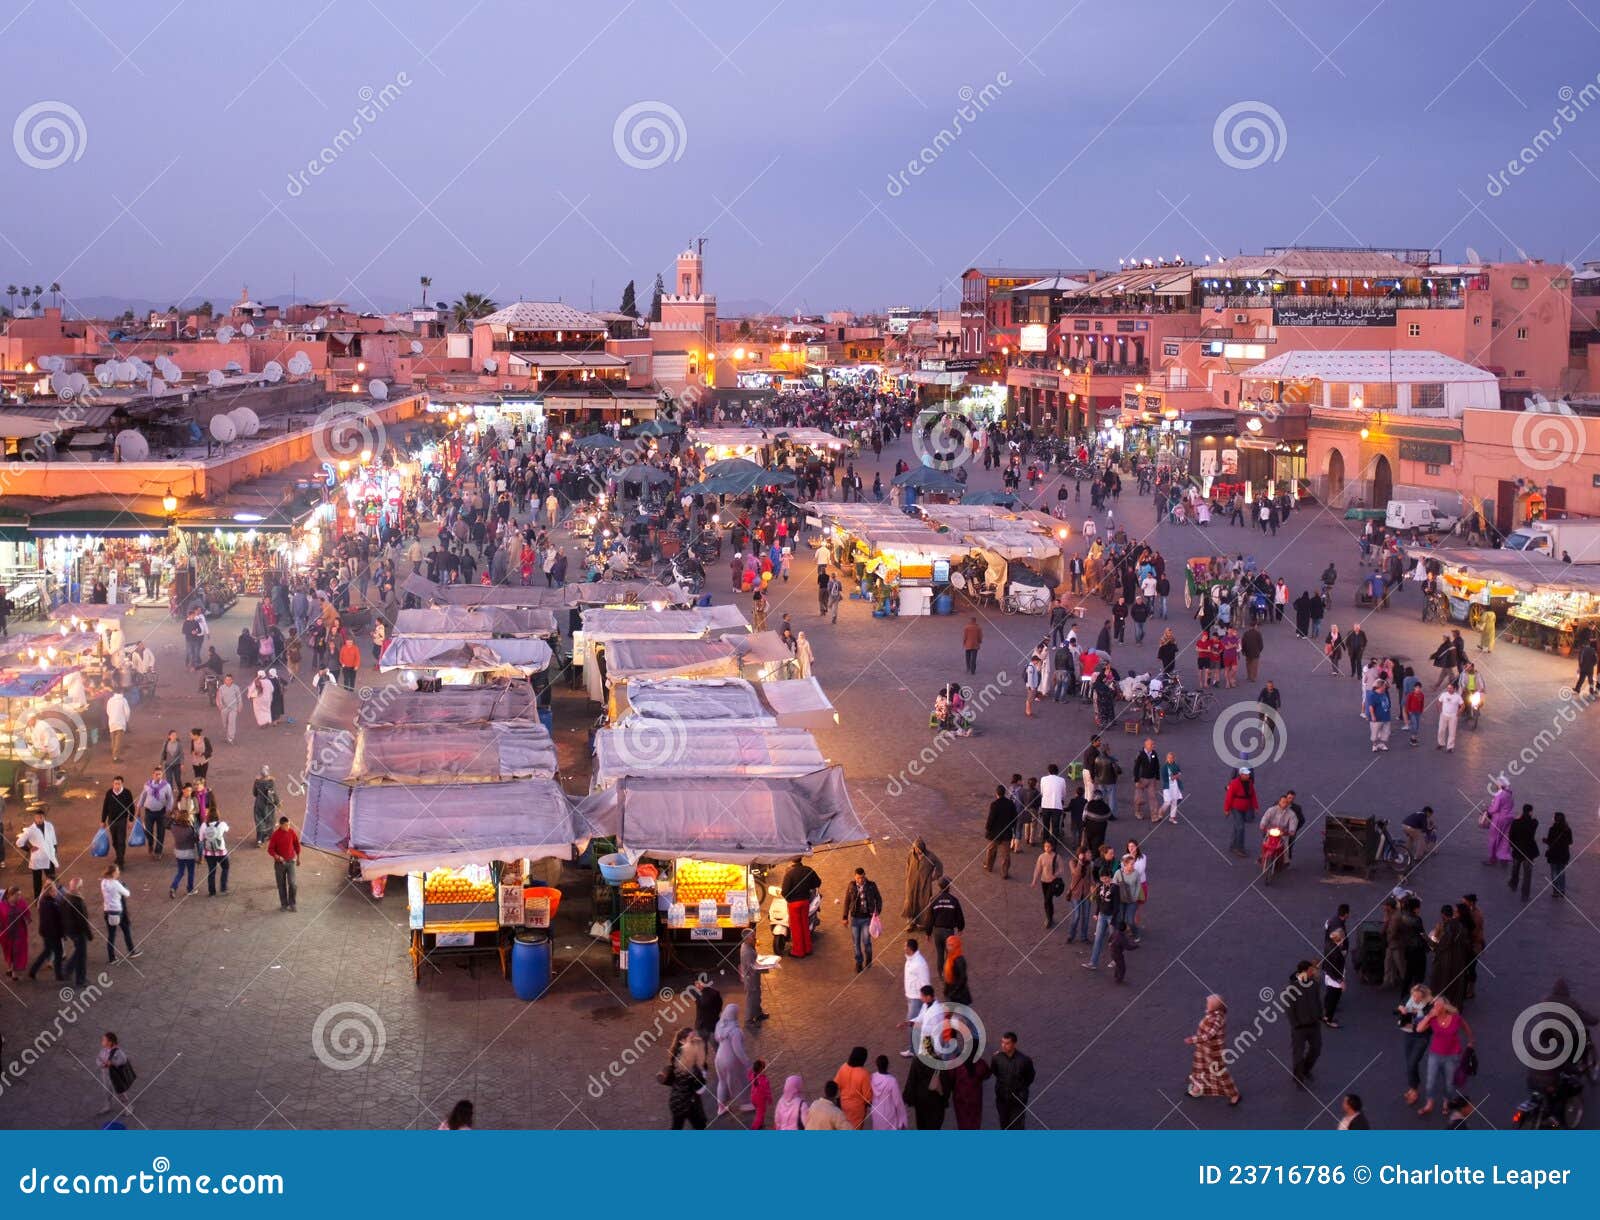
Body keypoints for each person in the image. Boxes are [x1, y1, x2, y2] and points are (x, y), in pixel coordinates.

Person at [1415, 997, 1473, 1118]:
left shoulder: (1456, 1019)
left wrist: (1470, 1041)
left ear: (1444, 1007)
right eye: (1434, 1006)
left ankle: (1446, 1102)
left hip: (1452, 1056)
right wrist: (1428, 1017)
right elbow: (1419, 1029)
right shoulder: (1433, 1019)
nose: (1434, 1008)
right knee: (1430, 1082)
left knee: (1449, 1083)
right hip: (1435, 1055)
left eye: (1437, 1005)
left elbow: (1466, 1027)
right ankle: (1429, 1103)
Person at [1184, 994, 1241, 1105]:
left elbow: (1210, 1034)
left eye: (1208, 1003)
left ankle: (1234, 1094)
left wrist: (1193, 1039)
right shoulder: (1213, 1014)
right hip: (1204, 1047)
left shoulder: (1217, 1018)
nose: (1206, 1005)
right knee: (1200, 1068)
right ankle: (1197, 1089)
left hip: (1213, 1051)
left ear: (1215, 1006)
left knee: (1219, 1072)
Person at [1287, 960, 1323, 1087]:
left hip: (1314, 1024)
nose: (1313, 971)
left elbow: (1317, 1000)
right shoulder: (1292, 988)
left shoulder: (1314, 984)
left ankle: (1305, 1070)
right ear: (1305, 971)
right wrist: (1295, 1024)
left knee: (1316, 1049)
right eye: (1311, 969)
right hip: (1299, 1028)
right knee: (1298, 1054)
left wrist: (1320, 1014)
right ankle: (1298, 1078)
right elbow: (1289, 1009)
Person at [662, 1031, 708, 1130]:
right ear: (682, 1041)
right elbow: (700, 1089)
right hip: (687, 1103)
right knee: (700, 1126)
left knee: (677, 1126)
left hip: (675, 1100)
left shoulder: (677, 1056)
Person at [989, 1032, 1035, 1130]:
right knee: (1004, 1125)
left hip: (1018, 1100)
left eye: (1007, 1043)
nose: (1004, 1046)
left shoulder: (1024, 1060)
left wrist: (1021, 1091)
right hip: (1002, 1099)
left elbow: (1030, 1077)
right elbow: (995, 1072)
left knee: (1017, 1127)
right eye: (1002, 1042)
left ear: (1014, 1044)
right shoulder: (996, 1058)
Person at [713, 1005, 752, 1118]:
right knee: (741, 1080)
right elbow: (738, 1050)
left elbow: (716, 1038)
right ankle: (745, 1103)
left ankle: (721, 1107)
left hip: (719, 1058)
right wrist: (747, 1063)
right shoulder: (735, 1031)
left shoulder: (719, 1025)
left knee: (722, 1082)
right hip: (731, 1060)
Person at [842, 865, 882, 972]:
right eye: (859, 878)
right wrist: (845, 917)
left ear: (865, 876)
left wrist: (877, 910)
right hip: (855, 919)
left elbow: (878, 899)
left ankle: (868, 959)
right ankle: (859, 962)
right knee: (856, 943)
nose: (861, 880)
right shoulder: (851, 886)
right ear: (855, 877)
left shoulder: (871, 886)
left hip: (867, 919)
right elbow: (847, 901)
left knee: (866, 941)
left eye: (862, 877)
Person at [779, 855, 821, 958]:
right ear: (801, 859)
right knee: (805, 925)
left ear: (792, 861)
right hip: (805, 902)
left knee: (796, 928)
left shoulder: (789, 874)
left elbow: (784, 892)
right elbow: (818, 882)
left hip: (794, 904)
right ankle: (808, 948)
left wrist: (789, 899)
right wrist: (809, 887)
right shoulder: (808, 870)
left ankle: (798, 951)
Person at [16, 809, 59, 898]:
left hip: (49, 857)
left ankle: (53, 896)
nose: (39, 819)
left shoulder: (49, 826)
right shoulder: (30, 830)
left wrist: (55, 852)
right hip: (37, 858)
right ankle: (38, 898)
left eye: (41, 817)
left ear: (44, 817)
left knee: (51, 879)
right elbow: (19, 842)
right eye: (37, 817)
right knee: (37, 880)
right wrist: (29, 849)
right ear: (34, 818)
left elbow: (54, 840)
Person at [100, 864, 138, 962]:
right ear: (113, 873)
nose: (119, 872)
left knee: (111, 935)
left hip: (107, 911)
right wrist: (125, 886)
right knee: (125, 930)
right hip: (117, 912)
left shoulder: (103, 882)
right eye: (117, 871)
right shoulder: (116, 884)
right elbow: (127, 894)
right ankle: (131, 951)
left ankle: (112, 957)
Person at [900, 938, 931, 1058]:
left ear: (910, 949)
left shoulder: (919, 963)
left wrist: (926, 1000)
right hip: (910, 996)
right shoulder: (910, 960)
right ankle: (915, 1049)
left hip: (917, 999)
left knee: (912, 1024)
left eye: (905, 946)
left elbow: (925, 982)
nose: (903, 948)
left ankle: (917, 1050)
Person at [60, 877, 93, 988]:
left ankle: (67, 970)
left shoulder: (65, 897)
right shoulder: (78, 901)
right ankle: (80, 979)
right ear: (79, 888)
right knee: (82, 956)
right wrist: (89, 935)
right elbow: (83, 921)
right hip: (78, 932)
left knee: (78, 951)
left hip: (70, 931)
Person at [928, 877, 964, 973]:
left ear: (939, 886)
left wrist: (928, 933)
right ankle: (949, 973)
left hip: (937, 932)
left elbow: (930, 918)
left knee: (940, 954)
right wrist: (960, 928)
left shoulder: (934, 900)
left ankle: (940, 973)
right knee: (949, 954)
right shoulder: (954, 900)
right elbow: (959, 916)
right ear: (949, 887)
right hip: (949, 932)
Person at [136, 766, 172, 860]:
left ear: (162, 775)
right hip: (149, 812)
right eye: (156, 774)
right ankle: (150, 844)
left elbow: (170, 799)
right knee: (148, 830)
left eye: (160, 774)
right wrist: (138, 809)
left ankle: (158, 851)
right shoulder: (147, 785)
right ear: (153, 775)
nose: (158, 776)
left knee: (161, 832)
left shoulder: (166, 786)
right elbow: (142, 797)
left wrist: (168, 810)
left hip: (161, 812)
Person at [832, 1046, 873, 1129]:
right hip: (857, 1110)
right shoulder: (864, 1074)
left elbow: (835, 1084)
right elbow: (868, 1097)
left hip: (843, 1104)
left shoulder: (843, 1067)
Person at [902, 1054, 947, 1129]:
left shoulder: (918, 1060)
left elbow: (912, 1080)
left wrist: (908, 1098)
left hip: (921, 1101)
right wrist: (944, 1098)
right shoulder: (939, 1062)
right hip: (935, 1101)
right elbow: (945, 1082)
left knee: (922, 1124)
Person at [97, 1031, 136, 1117]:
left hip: (115, 1076)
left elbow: (123, 1060)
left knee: (120, 1092)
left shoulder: (117, 1052)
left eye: (104, 1040)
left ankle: (129, 1107)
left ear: (110, 1042)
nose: (102, 1042)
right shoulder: (103, 1050)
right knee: (106, 1091)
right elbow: (98, 1059)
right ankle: (107, 1106)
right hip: (105, 1075)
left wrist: (113, 1063)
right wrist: (101, 1064)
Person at [100, 776, 135, 869]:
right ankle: (119, 856)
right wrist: (103, 820)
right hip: (111, 821)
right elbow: (105, 807)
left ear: (122, 784)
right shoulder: (109, 793)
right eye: (115, 783)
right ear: (113, 784)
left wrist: (131, 820)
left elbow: (132, 807)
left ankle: (120, 862)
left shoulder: (127, 793)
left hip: (122, 821)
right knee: (114, 842)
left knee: (121, 841)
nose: (117, 786)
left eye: (119, 784)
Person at [1222, 766, 1258, 858]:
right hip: (1236, 808)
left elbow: (1252, 795)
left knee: (1237, 827)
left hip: (1245, 808)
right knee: (1241, 828)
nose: (1248, 776)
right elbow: (1229, 797)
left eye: (1248, 774)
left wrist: (1255, 806)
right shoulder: (1234, 783)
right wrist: (1226, 809)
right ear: (1241, 775)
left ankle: (1233, 845)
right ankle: (1239, 848)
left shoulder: (1249, 783)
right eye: (1246, 774)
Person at [267, 816, 301, 912]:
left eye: (289, 824)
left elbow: (296, 844)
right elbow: (270, 850)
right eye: (286, 825)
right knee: (281, 885)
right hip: (279, 864)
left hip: (291, 862)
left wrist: (298, 857)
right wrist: (277, 857)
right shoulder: (275, 835)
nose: (288, 826)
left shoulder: (291, 832)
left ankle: (292, 903)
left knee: (293, 883)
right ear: (281, 825)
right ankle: (284, 904)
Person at [1508, 803, 1540, 901]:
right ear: (1530, 812)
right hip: (1529, 852)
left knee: (1515, 869)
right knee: (1527, 875)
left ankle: (1513, 883)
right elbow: (1535, 820)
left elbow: (1511, 836)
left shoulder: (1515, 822)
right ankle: (1525, 894)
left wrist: (1513, 846)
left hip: (1517, 850)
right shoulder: (1534, 823)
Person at [983, 784, 1015, 878]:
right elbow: (1014, 817)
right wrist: (1011, 827)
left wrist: (988, 828)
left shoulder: (994, 804)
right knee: (1006, 854)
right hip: (1006, 833)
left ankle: (989, 866)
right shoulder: (1010, 804)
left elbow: (991, 819)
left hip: (994, 833)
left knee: (991, 850)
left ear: (997, 793)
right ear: (1004, 793)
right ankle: (1004, 872)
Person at [1031, 838, 1063, 930]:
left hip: (1053, 882)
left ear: (1052, 847)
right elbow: (1038, 869)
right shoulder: (1041, 857)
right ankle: (1050, 916)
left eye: (1048, 846)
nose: (1047, 848)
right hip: (1044, 881)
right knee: (1048, 900)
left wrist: (1055, 875)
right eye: (1045, 846)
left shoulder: (1057, 857)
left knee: (1047, 900)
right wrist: (1034, 880)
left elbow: (1061, 869)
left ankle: (1048, 919)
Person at [869, 1054, 908, 1129]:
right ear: (888, 1065)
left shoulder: (872, 1077)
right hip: (889, 1113)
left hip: (876, 1112)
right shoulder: (891, 1081)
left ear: (877, 1065)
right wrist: (902, 1120)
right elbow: (898, 1102)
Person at [738, 927, 766, 1026]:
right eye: (753, 937)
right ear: (746, 939)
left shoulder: (748, 946)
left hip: (754, 978)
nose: (755, 938)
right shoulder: (747, 952)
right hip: (751, 980)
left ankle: (758, 1014)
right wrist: (765, 967)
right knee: (751, 999)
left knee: (757, 996)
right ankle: (748, 1020)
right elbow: (752, 968)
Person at [200, 806, 231, 897]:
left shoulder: (204, 825)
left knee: (211, 871)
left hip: (209, 853)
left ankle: (212, 892)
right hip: (221, 851)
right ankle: (223, 887)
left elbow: (201, 838)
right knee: (225, 867)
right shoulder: (222, 824)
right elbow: (227, 829)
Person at [168, 806, 198, 898]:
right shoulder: (189, 829)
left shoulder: (173, 827)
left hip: (178, 852)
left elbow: (169, 822)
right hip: (189, 852)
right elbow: (195, 840)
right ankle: (190, 889)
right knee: (191, 872)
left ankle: (173, 887)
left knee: (180, 872)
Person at [1485, 778, 1515, 865]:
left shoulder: (1499, 795)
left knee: (1493, 838)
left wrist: (1488, 810)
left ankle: (1492, 858)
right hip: (1509, 818)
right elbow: (1512, 805)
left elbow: (1495, 808)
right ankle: (1504, 857)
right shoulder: (1510, 794)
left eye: (1497, 784)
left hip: (1499, 818)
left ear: (1500, 785)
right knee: (1505, 838)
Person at [0, 886, 27, 979]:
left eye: (20, 895)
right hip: (6, 934)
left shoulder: (22, 902)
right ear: (10, 896)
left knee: (16, 952)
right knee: (8, 952)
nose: (19, 897)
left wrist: (26, 918)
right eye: (17, 895)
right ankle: (10, 968)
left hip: (19, 933)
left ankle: (14, 973)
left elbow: (27, 913)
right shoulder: (2, 906)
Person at [1546, 810, 1573, 899]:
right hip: (1563, 854)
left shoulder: (1552, 829)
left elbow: (1549, 841)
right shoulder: (1567, 830)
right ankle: (1562, 890)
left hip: (1553, 854)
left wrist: (1544, 840)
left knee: (1554, 872)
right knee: (1561, 872)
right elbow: (1570, 842)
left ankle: (1555, 891)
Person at [1365, 677, 1393, 752]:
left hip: (1386, 716)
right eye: (1384, 686)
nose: (1385, 687)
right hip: (1377, 717)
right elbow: (1371, 707)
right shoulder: (1372, 695)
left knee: (1385, 731)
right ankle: (1374, 745)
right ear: (1380, 686)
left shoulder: (1384, 693)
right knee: (1375, 732)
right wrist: (1373, 716)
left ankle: (1382, 744)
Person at [1436, 681, 1463, 752]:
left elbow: (1463, 706)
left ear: (1454, 689)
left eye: (1450, 688)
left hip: (1453, 716)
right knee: (1441, 730)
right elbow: (1439, 702)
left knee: (1452, 732)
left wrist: (1459, 713)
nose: (1449, 689)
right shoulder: (1444, 695)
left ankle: (1450, 747)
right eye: (1448, 688)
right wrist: (1440, 711)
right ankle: (1441, 743)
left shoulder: (1458, 696)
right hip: (1444, 715)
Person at [105, 688, 130, 763]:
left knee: (113, 739)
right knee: (118, 741)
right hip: (120, 722)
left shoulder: (110, 700)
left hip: (112, 722)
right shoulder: (123, 700)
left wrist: (112, 717)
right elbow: (127, 712)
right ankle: (115, 757)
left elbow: (108, 711)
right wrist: (126, 720)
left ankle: (114, 753)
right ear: (122, 692)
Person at [747, 1059, 772, 1129]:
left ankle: (761, 1124)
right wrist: (770, 1099)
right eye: (764, 1067)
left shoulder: (752, 1075)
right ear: (761, 1069)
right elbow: (767, 1091)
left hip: (753, 1097)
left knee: (759, 1112)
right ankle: (755, 1127)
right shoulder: (764, 1080)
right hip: (760, 1099)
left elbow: (749, 1072)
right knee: (760, 1114)